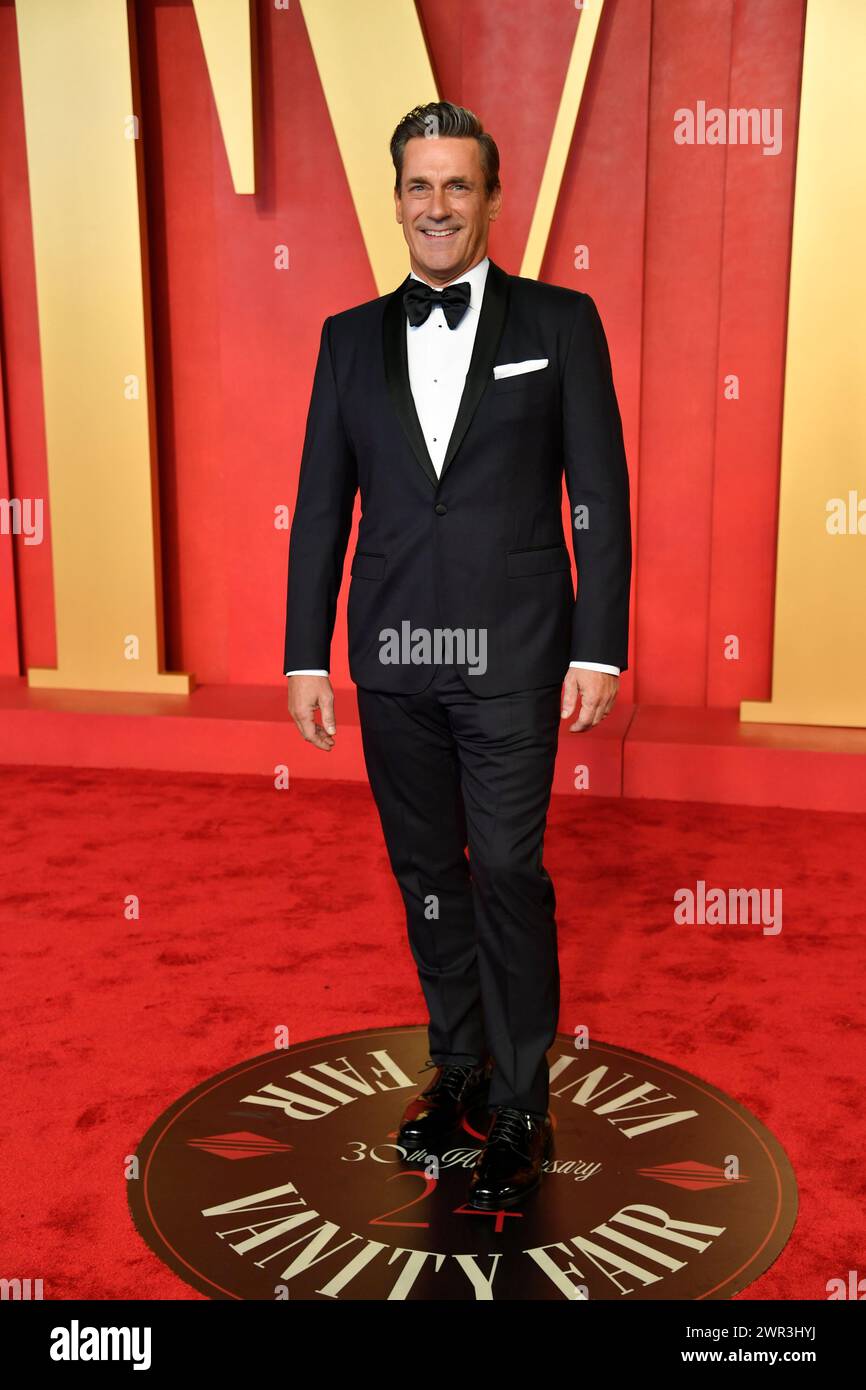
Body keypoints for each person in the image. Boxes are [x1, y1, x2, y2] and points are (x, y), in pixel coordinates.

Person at [283, 101, 631, 1209]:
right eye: (418, 185)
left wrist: (600, 646)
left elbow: (599, 501)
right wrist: (304, 654)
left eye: (456, 185)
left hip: (516, 652)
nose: (437, 204)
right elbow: (321, 505)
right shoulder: (346, 337)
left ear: (490, 197)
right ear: (395, 198)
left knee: (509, 868)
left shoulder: (562, 321)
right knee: (427, 872)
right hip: (390, 649)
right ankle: (460, 1062)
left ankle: (524, 1098)